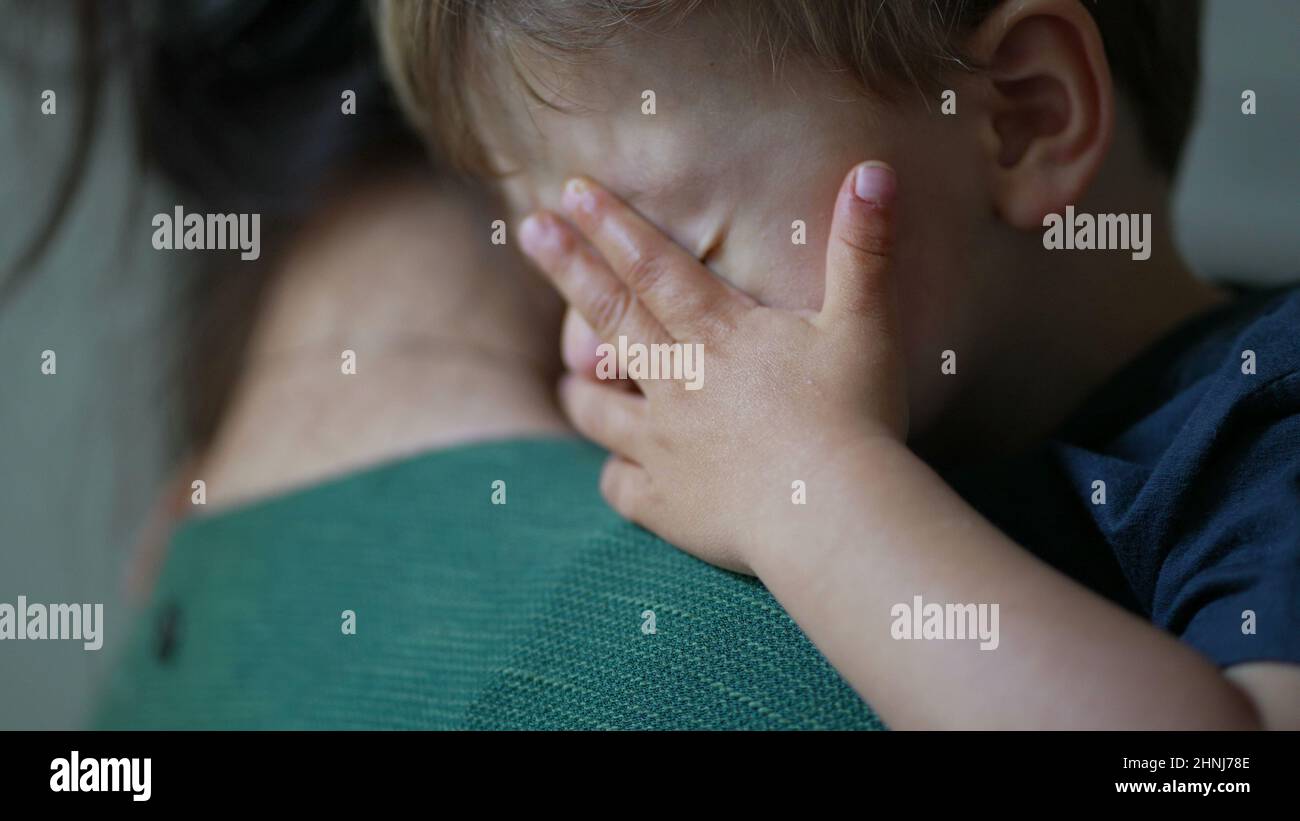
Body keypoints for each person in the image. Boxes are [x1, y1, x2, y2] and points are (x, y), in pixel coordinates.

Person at [378, 0, 1300, 728]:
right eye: (567, 273)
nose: (595, 349)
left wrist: (808, 489)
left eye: (674, 253)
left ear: (1024, 117)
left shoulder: (1266, 431)